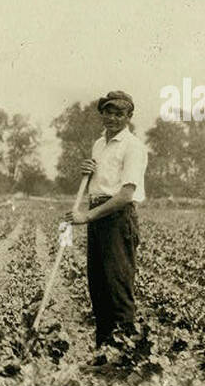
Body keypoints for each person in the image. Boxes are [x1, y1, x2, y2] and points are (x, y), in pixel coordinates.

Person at [62, 91, 148, 361]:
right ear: (102, 113)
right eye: (108, 112)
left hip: (117, 218)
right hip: (99, 215)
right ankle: (103, 354)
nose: (112, 117)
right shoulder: (99, 144)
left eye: (119, 113)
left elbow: (125, 194)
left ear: (129, 117)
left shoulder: (133, 146)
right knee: (98, 288)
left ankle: (123, 357)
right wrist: (87, 173)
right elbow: (98, 186)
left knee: (118, 289)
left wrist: (87, 216)